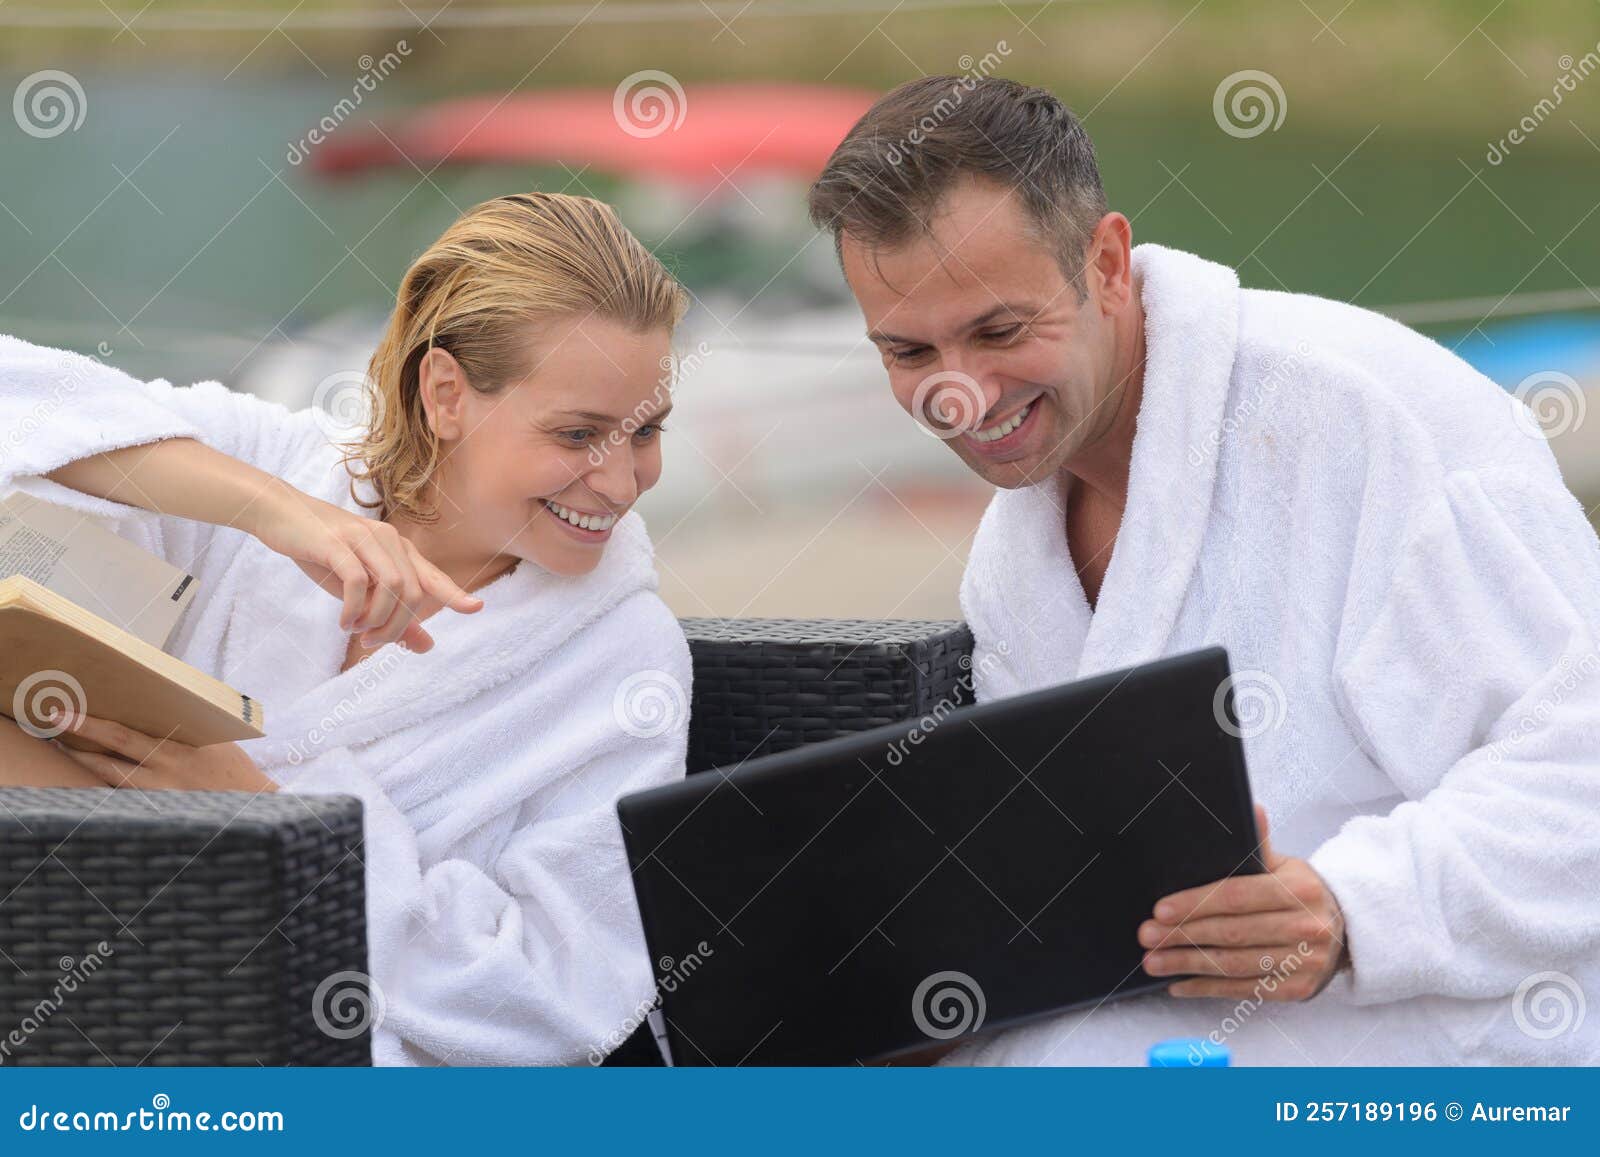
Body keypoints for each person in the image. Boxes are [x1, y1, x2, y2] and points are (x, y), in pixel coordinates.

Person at [807, 77, 1600, 1065]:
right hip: (1174, 1041)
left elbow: (1585, 763)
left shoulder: (1371, 425)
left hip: (1465, 1062)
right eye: (908, 350)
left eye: (1000, 332)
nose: (959, 395)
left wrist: (1354, 907)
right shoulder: (1018, 550)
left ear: (1103, 262)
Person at [0, 192, 693, 1066]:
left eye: (647, 433)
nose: (622, 482)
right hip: (86, 965)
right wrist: (277, 513)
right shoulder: (287, 463)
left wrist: (267, 815)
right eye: (579, 434)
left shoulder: (625, 659)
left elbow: (559, 998)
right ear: (446, 393)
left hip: (322, 1047)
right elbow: (20, 397)